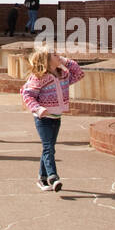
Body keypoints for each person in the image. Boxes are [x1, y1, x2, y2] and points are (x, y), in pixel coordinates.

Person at [21, 47, 85, 191]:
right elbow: (28, 95)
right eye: (55, 55)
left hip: (56, 117)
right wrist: (38, 109)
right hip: (43, 118)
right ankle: (53, 177)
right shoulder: (39, 77)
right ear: (47, 60)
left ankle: (41, 178)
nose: (59, 56)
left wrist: (64, 61)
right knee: (48, 147)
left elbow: (79, 73)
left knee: (49, 148)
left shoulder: (63, 75)